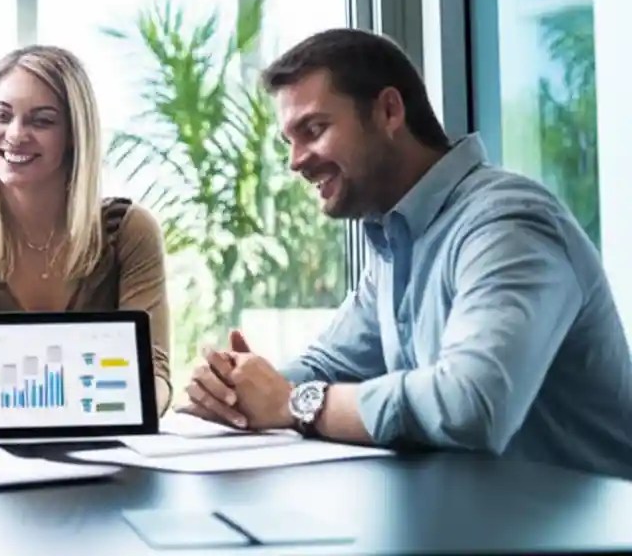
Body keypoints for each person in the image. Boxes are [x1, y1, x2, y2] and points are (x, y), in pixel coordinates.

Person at [180, 28, 632, 479]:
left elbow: (472, 403)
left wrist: (293, 403)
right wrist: (236, 390)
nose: (296, 160)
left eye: (314, 130)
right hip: (473, 524)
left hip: (585, 538)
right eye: (289, 142)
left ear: (389, 111)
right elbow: (327, 365)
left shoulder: (507, 225)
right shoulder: (398, 239)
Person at [0, 45, 173, 428]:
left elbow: (154, 376)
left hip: (107, 465)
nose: (16, 135)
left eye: (42, 121)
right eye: (1, 116)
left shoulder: (128, 232)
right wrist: (61, 412)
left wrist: (124, 406)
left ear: (74, 134)